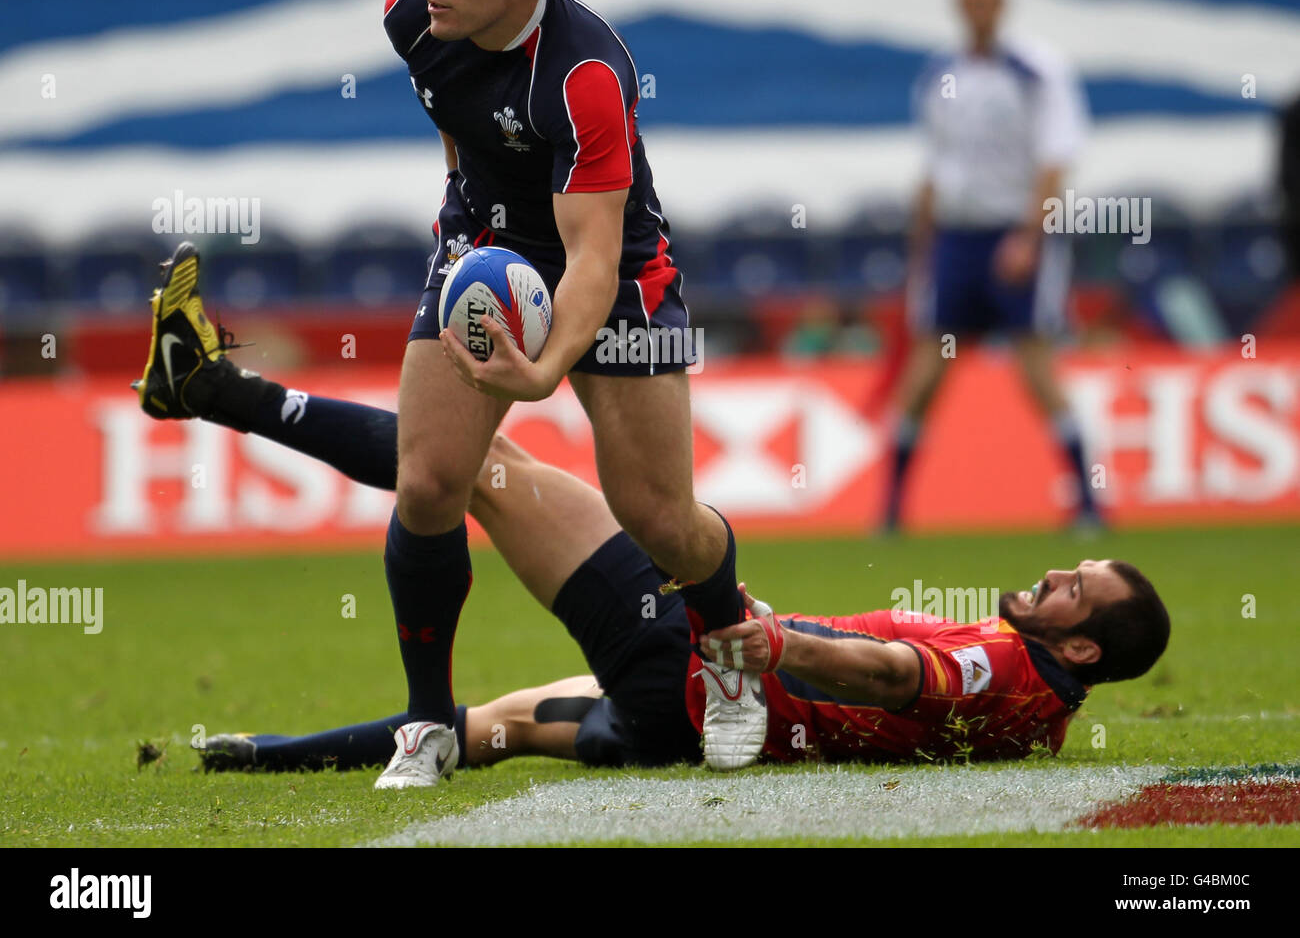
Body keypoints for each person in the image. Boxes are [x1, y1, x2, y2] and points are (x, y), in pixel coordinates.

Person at [140, 0, 761, 788]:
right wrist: (468, 217)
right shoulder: (411, 13)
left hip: (619, 275)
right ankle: (426, 724)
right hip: (487, 243)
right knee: (429, 480)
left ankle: (728, 652)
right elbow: (457, 114)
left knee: (659, 515)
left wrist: (545, 370)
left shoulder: (588, 75)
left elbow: (592, 258)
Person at [132, 256, 1170, 775]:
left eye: (1073, 588)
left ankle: (216, 392)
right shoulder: (1046, 721)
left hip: (698, 663)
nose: (1054, 573)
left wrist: (765, 639)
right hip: (670, 728)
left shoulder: (1013, 666)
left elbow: (892, 673)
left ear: (1078, 638)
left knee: (475, 466)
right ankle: (264, 755)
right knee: (488, 728)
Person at [882, 0, 1099, 532]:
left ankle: (1087, 502)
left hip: (1013, 234)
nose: (976, 9)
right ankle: (892, 507)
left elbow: (1056, 160)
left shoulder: (1036, 70)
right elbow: (933, 167)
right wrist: (922, 248)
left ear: (1002, 3)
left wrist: (1032, 236)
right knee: (927, 368)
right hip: (957, 238)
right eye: (967, 0)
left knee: (1036, 365)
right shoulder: (940, 76)